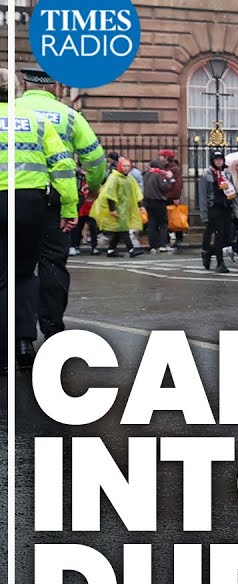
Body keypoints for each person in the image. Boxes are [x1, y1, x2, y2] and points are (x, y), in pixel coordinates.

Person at [19, 68, 107, 340]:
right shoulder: (69, 116)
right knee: (53, 264)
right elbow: (95, 160)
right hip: (57, 200)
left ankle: (21, 338)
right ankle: (52, 329)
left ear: (24, 85)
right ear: (54, 88)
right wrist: (91, 190)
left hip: (18, 197)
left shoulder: (12, 111)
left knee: (17, 269)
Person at [4, 81, 78, 369]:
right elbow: (66, 164)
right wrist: (72, 205)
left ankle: (9, 345)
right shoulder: (48, 118)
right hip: (35, 202)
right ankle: (40, 333)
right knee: (37, 268)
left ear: (24, 87)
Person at [90, 158, 147, 259]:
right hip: (117, 208)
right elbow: (109, 194)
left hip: (125, 209)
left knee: (118, 230)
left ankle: (111, 250)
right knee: (123, 229)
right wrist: (112, 209)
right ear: (120, 166)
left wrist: (140, 206)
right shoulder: (114, 178)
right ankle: (131, 249)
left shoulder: (129, 179)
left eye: (128, 166)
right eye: (124, 166)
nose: (126, 168)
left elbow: (136, 193)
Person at [199, 152, 233, 273]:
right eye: (216, 159)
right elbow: (202, 195)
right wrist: (204, 214)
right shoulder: (207, 175)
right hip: (214, 207)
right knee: (218, 235)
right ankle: (220, 262)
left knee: (226, 236)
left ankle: (208, 253)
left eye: (220, 159)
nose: (219, 162)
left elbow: (232, 191)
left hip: (226, 207)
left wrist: (235, 208)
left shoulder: (227, 174)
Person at [141, 156, 178, 253]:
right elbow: (165, 187)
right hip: (159, 201)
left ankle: (153, 245)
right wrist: (170, 179)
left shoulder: (146, 174)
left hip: (148, 201)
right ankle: (162, 244)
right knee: (163, 224)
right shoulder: (159, 175)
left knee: (152, 224)